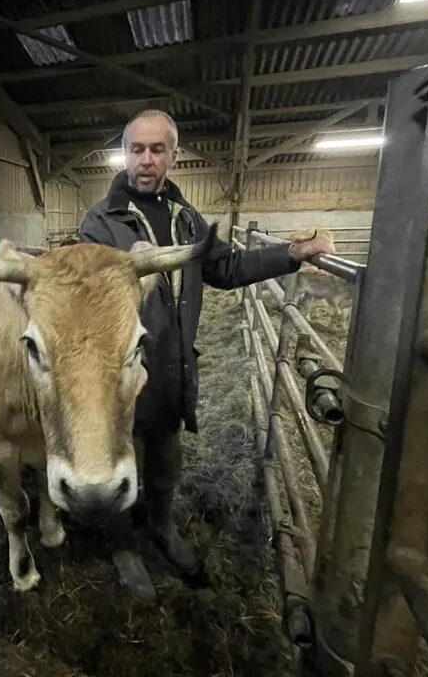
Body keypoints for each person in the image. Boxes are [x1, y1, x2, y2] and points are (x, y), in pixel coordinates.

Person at [78, 109, 334, 600]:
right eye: (136, 149)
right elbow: (90, 299)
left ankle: (163, 528)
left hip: (175, 371)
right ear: (124, 153)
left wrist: (291, 254)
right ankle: (124, 547)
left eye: (157, 149)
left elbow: (227, 268)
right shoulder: (101, 222)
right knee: (119, 464)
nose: (146, 160)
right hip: (123, 376)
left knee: (166, 465)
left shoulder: (188, 218)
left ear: (174, 155)